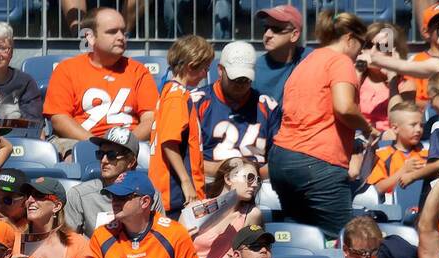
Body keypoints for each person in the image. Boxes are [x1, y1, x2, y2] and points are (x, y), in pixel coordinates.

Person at [268, 11, 373, 239]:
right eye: (362, 44)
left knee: (298, 238)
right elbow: (344, 107)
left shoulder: (307, 61)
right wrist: (367, 128)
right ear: (348, 38)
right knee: (344, 241)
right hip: (317, 163)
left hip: (282, 159)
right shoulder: (341, 61)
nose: (361, 51)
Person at [44, 7, 156, 152]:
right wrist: (100, 146)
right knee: (69, 154)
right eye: (112, 32)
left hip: (129, 146)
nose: (121, 37)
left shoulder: (138, 71)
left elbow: (150, 119)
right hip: (81, 144)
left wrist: (125, 144)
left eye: (123, 31)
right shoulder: (66, 70)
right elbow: (60, 120)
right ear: (90, 37)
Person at [89, 170, 205, 258]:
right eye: (113, 196)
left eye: (122, 197)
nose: (115, 201)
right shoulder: (101, 236)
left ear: (145, 202)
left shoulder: (174, 233)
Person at [148, 36, 212, 216]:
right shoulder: (177, 96)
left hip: (175, 192)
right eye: (205, 68)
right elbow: (169, 141)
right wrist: (186, 181)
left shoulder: (170, 91)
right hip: (176, 193)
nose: (205, 74)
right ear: (191, 66)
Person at [197, 42, 280, 176]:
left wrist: (250, 175)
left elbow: (279, 159)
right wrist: (218, 170)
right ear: (220, 70)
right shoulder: (198, 102)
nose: (240, 84)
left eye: (245, 79)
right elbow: (183, 157)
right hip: (209, 180)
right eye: (234, 78)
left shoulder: (267, 107)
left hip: (256, 182)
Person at [65, 129, 160, 238]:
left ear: (131, 162)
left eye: (111, 155)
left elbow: (160, 236)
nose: (104, 161)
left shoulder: (150, 195)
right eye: (100, 154)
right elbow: (69, 243)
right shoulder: (78, 195)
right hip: (95, 253)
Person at [254, 5, 306, 102]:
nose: (267, 35)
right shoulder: (254, 70)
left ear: (294, 35)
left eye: (276, 29)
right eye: (266, 28)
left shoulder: (311, 60)